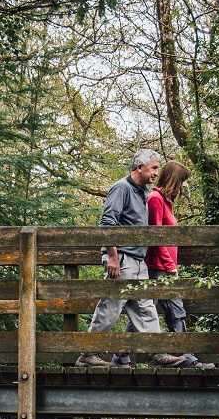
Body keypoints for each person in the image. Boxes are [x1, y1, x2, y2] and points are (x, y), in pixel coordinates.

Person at [75, 149, 185, 368]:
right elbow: (107, 223)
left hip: (139, 260)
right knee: (111, 307)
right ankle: (87, 353)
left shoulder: (144, 194)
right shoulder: (121, 188)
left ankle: (156, 353)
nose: (156, 173)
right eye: (153, 168)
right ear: (139, 167)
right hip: (122, 258)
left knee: (146, 308)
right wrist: (113, 257)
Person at [129, 160, 213, 368]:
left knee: (144, 311)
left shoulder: (165, 201)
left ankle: (121, 356)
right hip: (158, 266)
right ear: (174, 179)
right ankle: (188, 358)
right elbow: (155, 236)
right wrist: (170, 265)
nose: (184, 186)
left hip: (162, 266)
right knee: (175, 310)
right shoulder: (155, 200)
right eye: (183, 181)